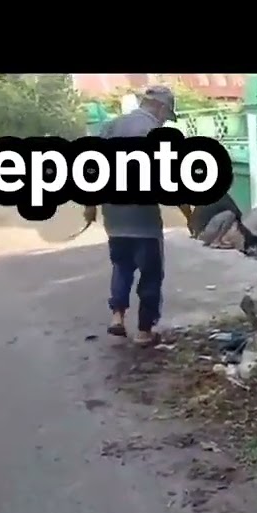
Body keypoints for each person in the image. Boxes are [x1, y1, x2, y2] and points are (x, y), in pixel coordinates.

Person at [82, 85, 179, 346]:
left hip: (113, 216)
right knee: (150, 272)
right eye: (166, 115)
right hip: (144, 218)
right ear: (160, 107)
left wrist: (90, 206)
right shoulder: (152, 133)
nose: (164, 121)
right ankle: (144, 331)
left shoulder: (110, 127)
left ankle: (117, 317)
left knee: (122, 265)